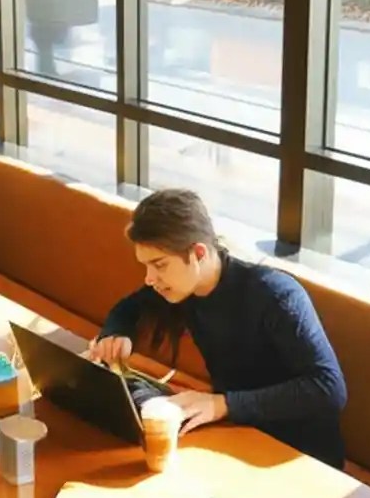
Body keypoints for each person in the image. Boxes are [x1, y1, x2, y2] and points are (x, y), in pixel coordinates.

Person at [89, 189, 348, 469]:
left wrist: (223, 404)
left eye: (159, 265)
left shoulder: (275, 295)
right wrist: (115, 333)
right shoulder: (183, 287)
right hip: (236, 432)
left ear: (198, 253)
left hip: (297, 456)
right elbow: (130, 307)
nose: (150, 279)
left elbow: (329, 389)